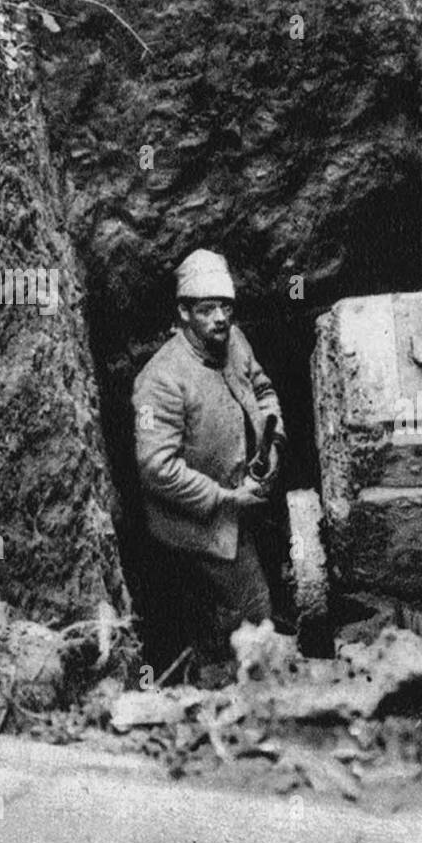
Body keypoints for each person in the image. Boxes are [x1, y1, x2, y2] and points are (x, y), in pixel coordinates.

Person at [132, 248, 284, 670]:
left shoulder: (234, 341)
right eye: (206, 309)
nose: (220, 318)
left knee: (234, 618)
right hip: (199, 526)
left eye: (226, 307)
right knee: (254, 614)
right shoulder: (161, 380)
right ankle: (238, 687)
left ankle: (220, 663)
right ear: (183, 312)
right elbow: (156, 468)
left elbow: (264, 389)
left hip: (245, 501)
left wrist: (274, 441)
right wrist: (226, 499)